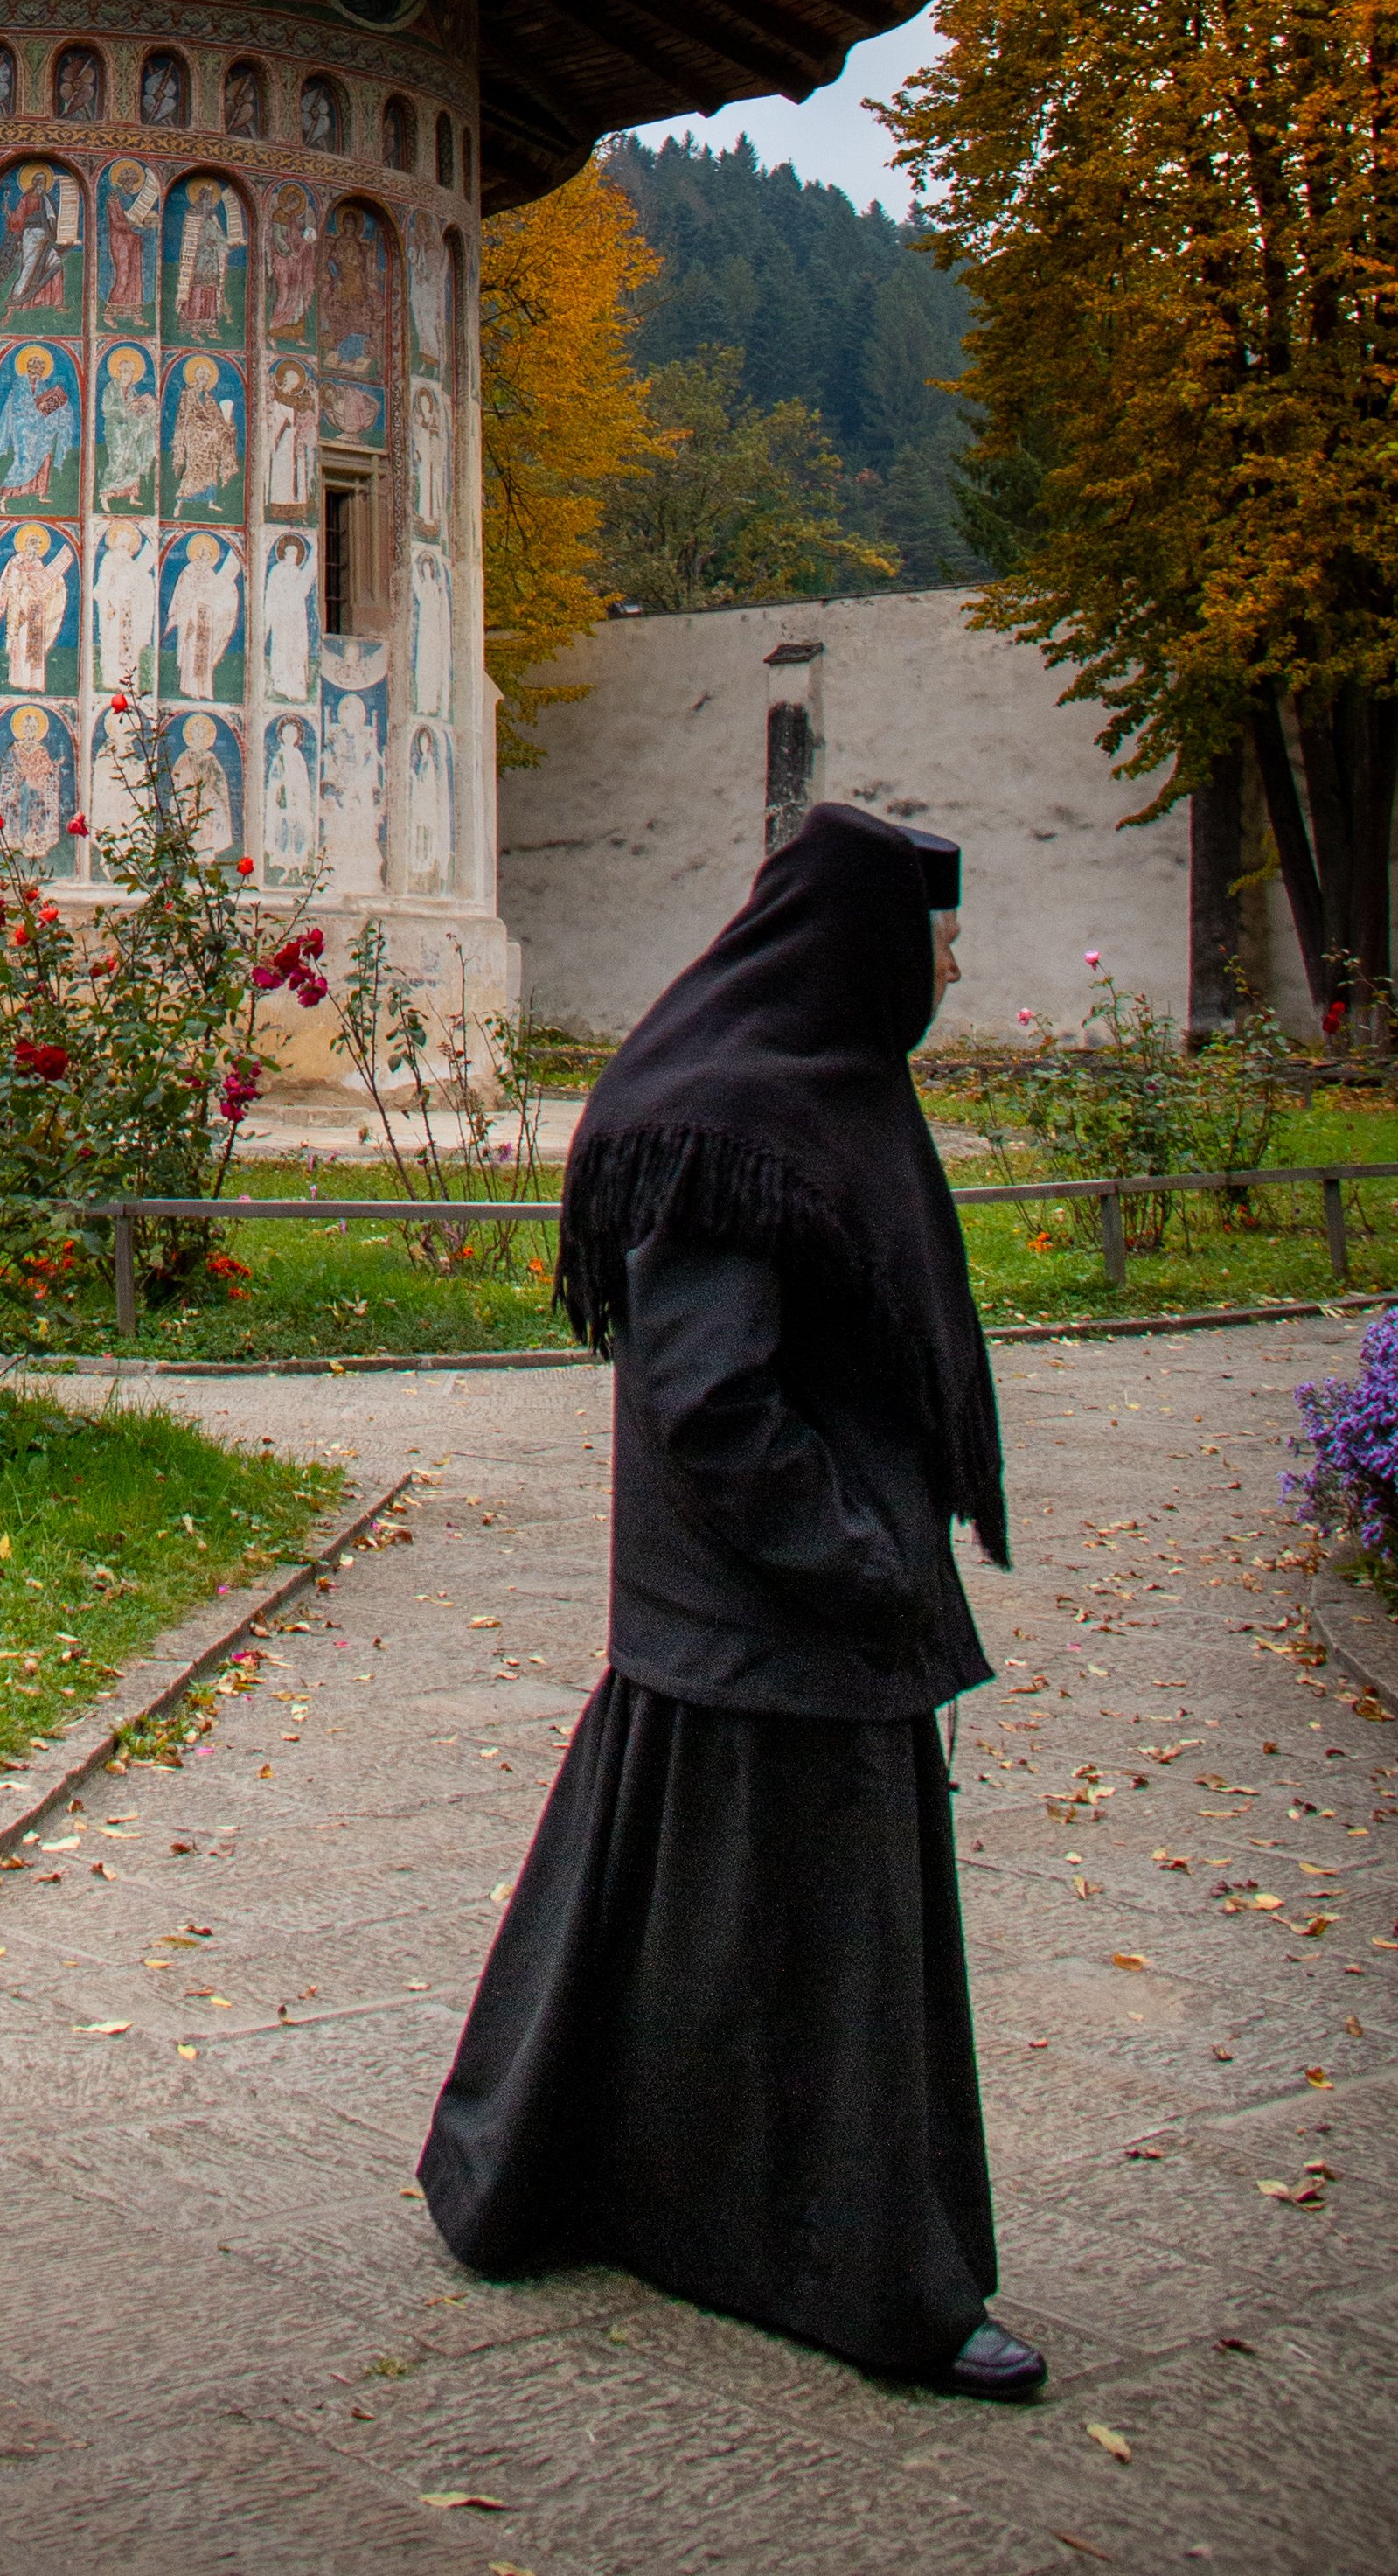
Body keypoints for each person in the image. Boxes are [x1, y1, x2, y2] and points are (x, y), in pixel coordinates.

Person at [419, 801, 1042, 2401]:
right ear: (861, 943)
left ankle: (638, 2193)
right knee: (828, 1963)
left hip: (765, 1618)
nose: (952, 963)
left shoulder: (809, 1094)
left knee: (690, 1940)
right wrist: (854, 1555)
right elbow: (705, 1395)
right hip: (774, 1615)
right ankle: (869, 2276)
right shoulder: (728, 1120)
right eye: (936, 932)